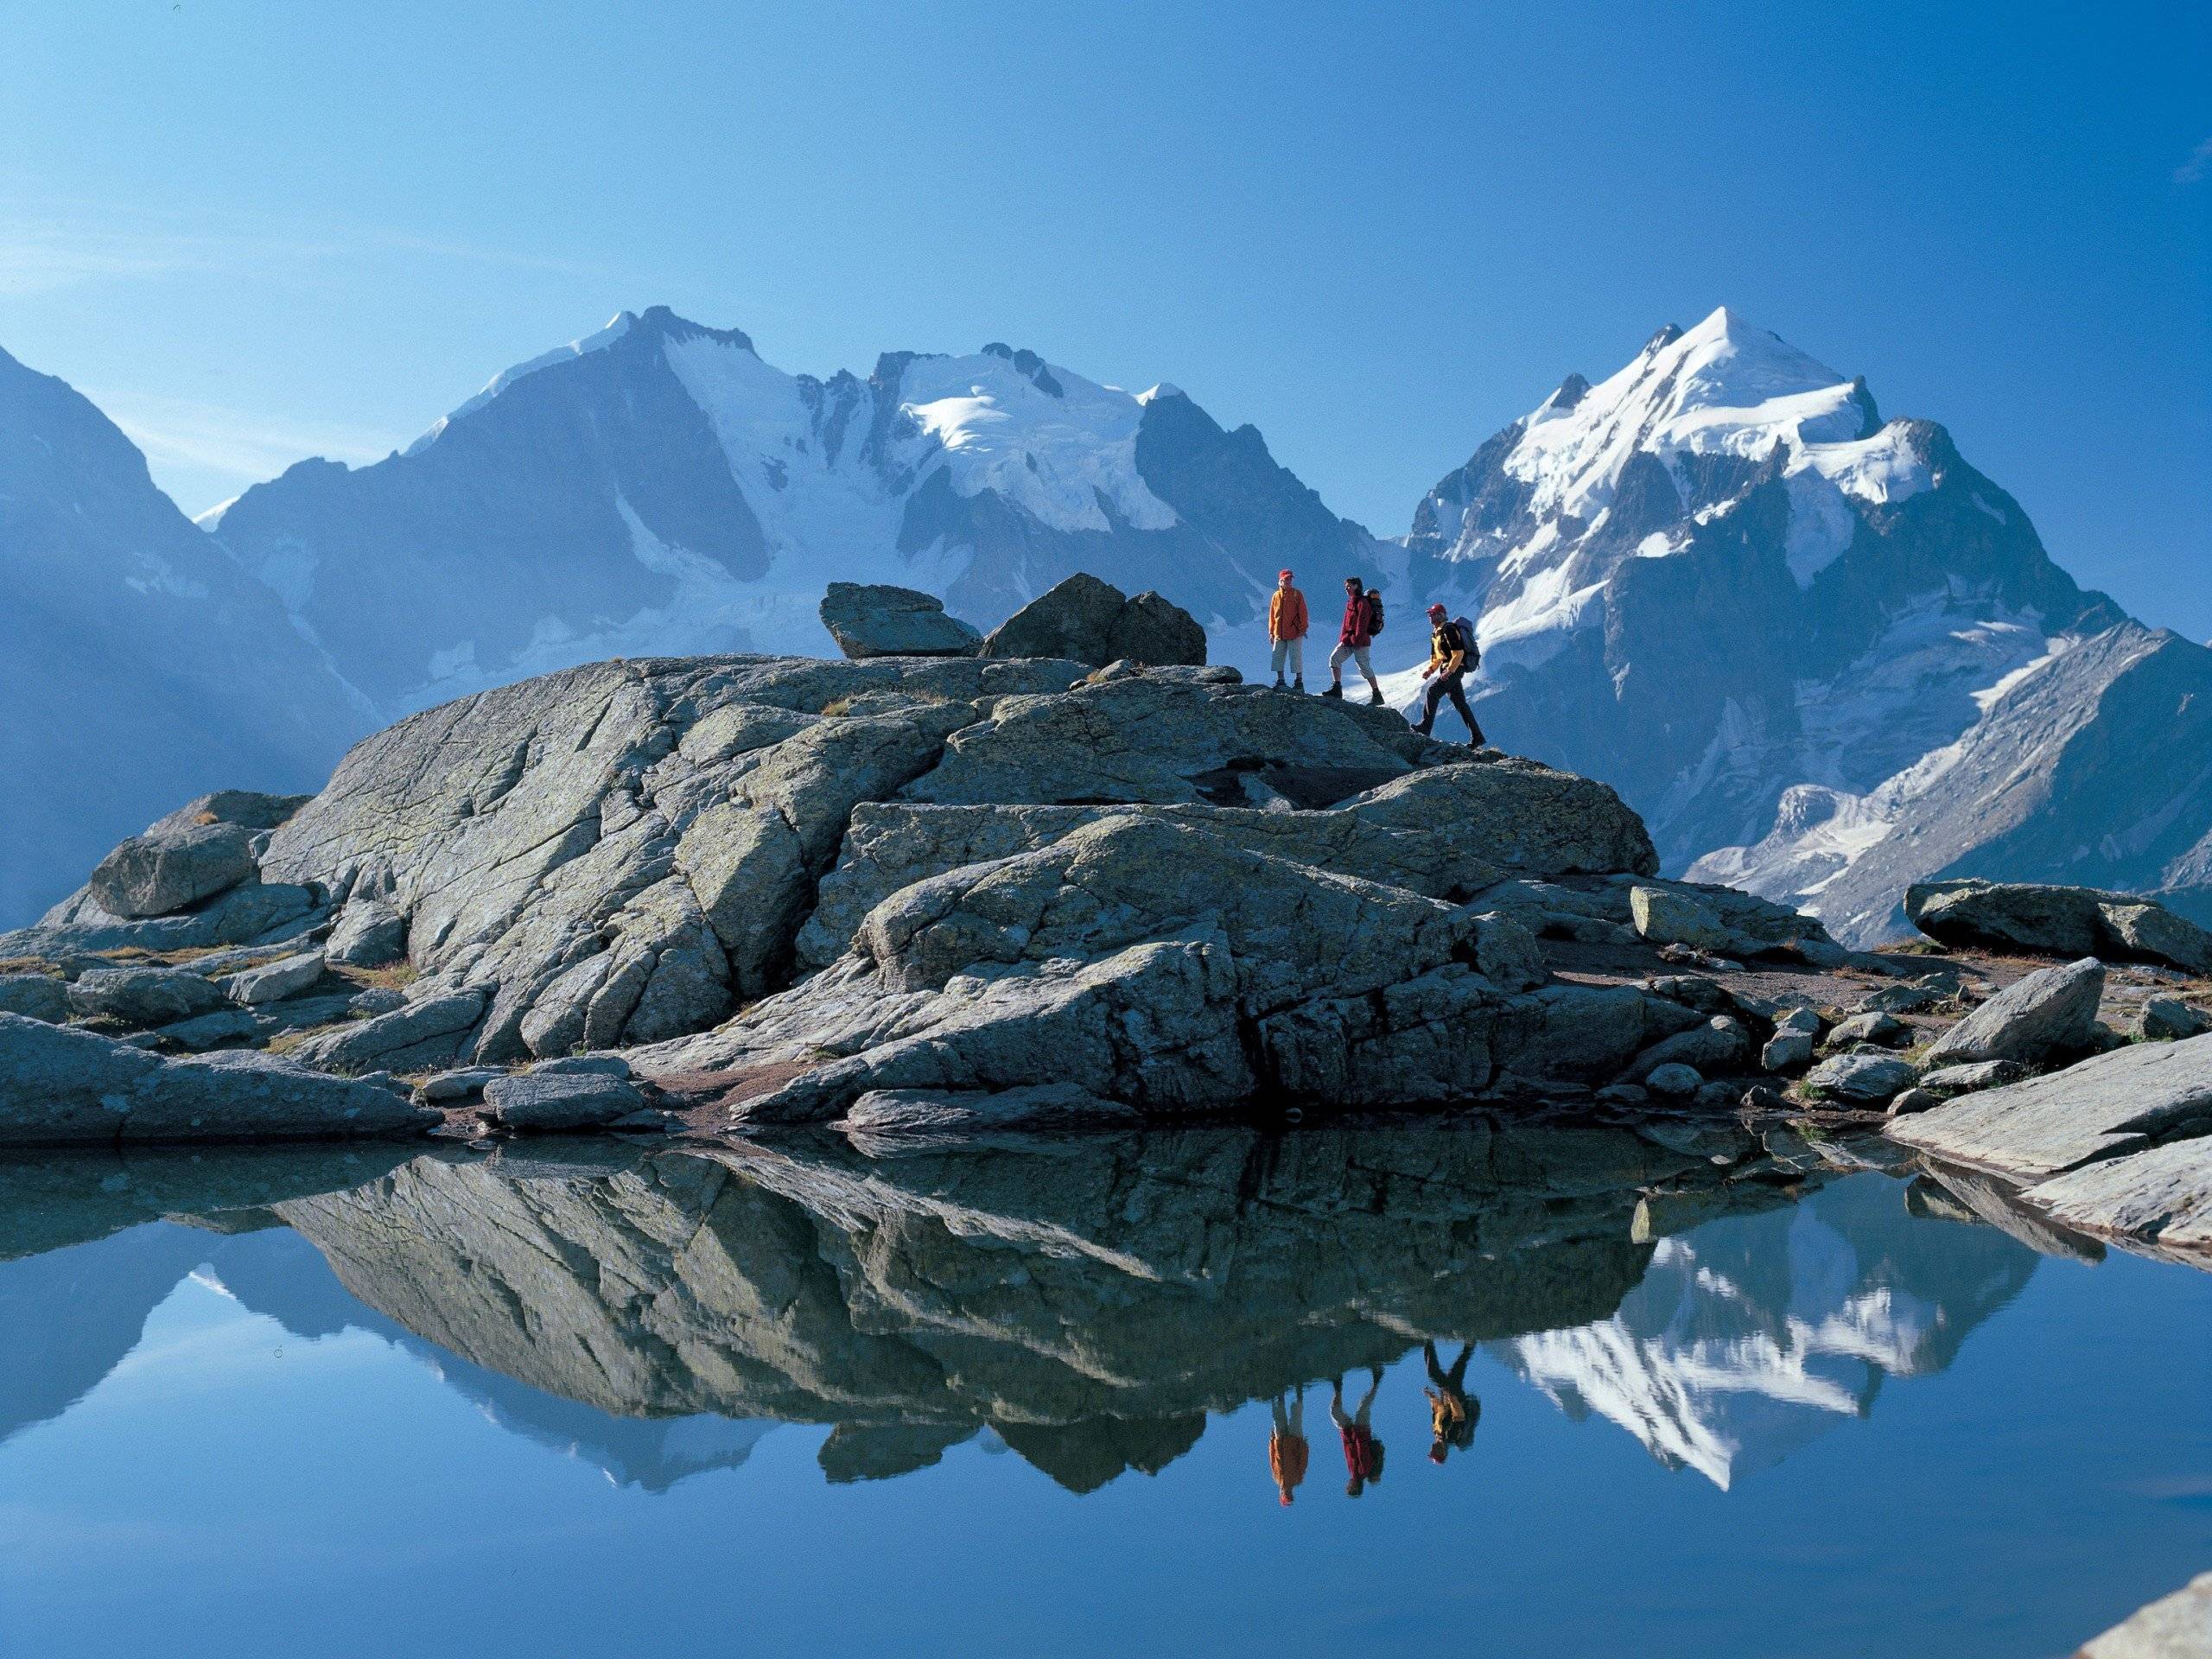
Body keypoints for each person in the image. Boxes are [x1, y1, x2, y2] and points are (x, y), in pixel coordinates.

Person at [1415, 603, 1484, 746]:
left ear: (1440, 615)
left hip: (1455, 669)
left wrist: (1450, 670)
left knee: (1432, 692)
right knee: (1461, 704)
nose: (1430, 616)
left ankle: (1425, 728)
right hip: (1449, 669)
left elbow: (1458, 652)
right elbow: (1437, 657)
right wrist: (1430, 670)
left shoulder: (1449, 629)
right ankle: (1477, 737)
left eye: (1433, 614)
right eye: (1430, 614)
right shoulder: (1436, 633)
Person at [1322, 576, 1384, 705]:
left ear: (1356, 586)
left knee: (1364, 666)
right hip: (1348, 640)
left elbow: (1362, 623)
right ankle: (1337, 689)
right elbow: (1346, 623)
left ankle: (1377, 694)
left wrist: (1356, 640)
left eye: (1349, 586)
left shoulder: (1362, 603)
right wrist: (1344, 638)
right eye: (1346, 586)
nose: (1346, 588)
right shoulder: (1351, 601)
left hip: (1359, 642)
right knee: (1334, 659)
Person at [1330, 1368, 1386, 1497]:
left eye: (1348, 1488)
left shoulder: (1353, 1472)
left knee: (1335, 1411)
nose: (1348, 1485)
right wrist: (1356, 1434)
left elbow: (1347, 1451)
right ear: (1356, 1487)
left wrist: (1346, 1434)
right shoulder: (1363, 1471)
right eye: (1350, 1488)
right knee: (1363, 1406)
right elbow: (1361, 1450)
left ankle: (1338, 1387)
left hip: (1349, 1432)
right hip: (1361, 1432)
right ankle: (1376, 1381)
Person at [1422, 1340, 1479, 1465]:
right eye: (1435, 1452)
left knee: (1456, 1371)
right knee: (1434, 1374)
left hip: (1446, 1398)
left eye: (1432, 1451)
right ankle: (1428, 1340)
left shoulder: (1437, 1432)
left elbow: (1438, 1410)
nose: (1432, 1449)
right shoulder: (1452, 1437)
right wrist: (1452, 1398)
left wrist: (1431, 1397)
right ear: (1443, 1452)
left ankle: (1469, 1344)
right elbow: (1459, 1416)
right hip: (1456, 1399)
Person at [1268, 568, 1308, 691]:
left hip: (1294, 632)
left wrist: (1302, 629)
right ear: (1281, 580)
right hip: (1279, 632)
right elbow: (1272, 615)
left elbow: (1303, 612)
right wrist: (1271, 632)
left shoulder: (1297, 594)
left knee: (1296, 657)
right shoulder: (1276, 596)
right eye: (1286, 579)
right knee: (1277, 656)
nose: (1289, 581)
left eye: (1290, 578)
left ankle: (1298, 682)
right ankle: (1281, 680)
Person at [1268, 1386, 1309, 1506]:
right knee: (1296, 1416)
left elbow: (1272, 1458)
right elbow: (1303, 1461)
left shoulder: (1276, 1478)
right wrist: (1304, 1446)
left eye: (1286, 1495)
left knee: (1278, 1417)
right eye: (1290, 1495)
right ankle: (1299, 1390)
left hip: (1280, 1441)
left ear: (1281, 1493)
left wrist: (1271, 1441)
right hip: (1295, 1442)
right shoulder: (1298, 1479)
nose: (1288, 1493)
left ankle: (1280, 1393)